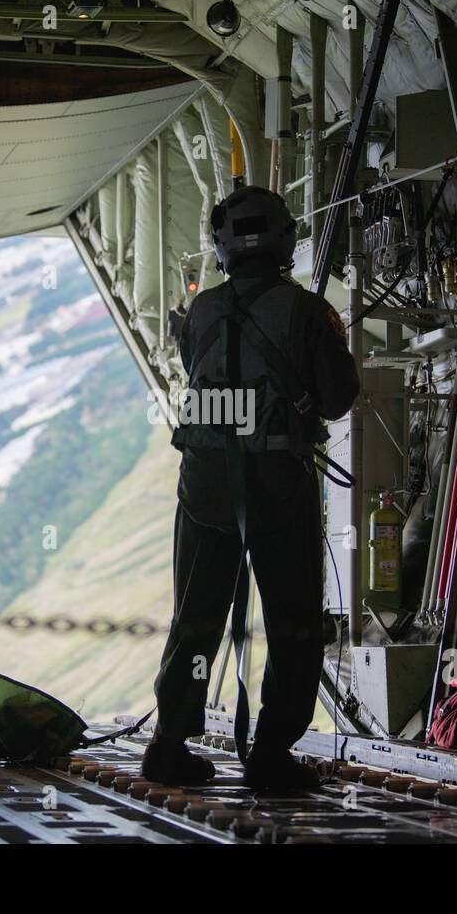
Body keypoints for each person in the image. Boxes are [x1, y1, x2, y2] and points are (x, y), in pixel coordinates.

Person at [141, 186, 359, 789]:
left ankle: (167, 745)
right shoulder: (308, 313)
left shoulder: (200, 313)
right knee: (292, 622)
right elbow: (340, 399)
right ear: (286, 241)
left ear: (222, 246)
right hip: (277, 487)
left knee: (197, 617)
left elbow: (200, 373)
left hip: (205, 487)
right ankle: (269, 754)